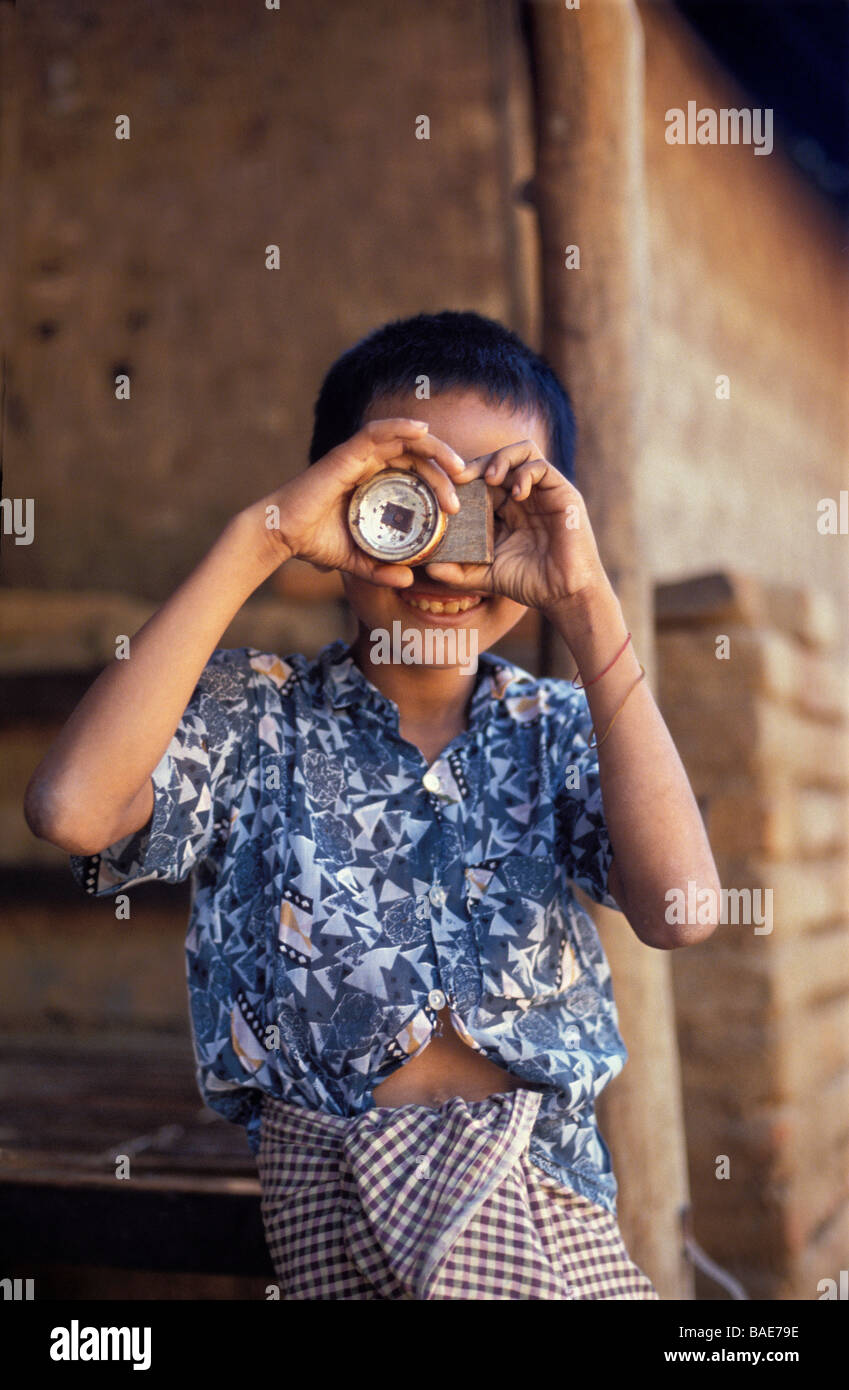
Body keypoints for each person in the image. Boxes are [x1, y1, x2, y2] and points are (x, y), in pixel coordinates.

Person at [25, 309, 721, 1300]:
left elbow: (685, 911)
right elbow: (70, 810)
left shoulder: (558, 726)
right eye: (404, 502)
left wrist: (587, 598)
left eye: (491, 507)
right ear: (333, 499)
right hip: (333, 1199)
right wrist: (258, 535)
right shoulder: (253, 713)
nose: (445, 557)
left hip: (533, 1197)